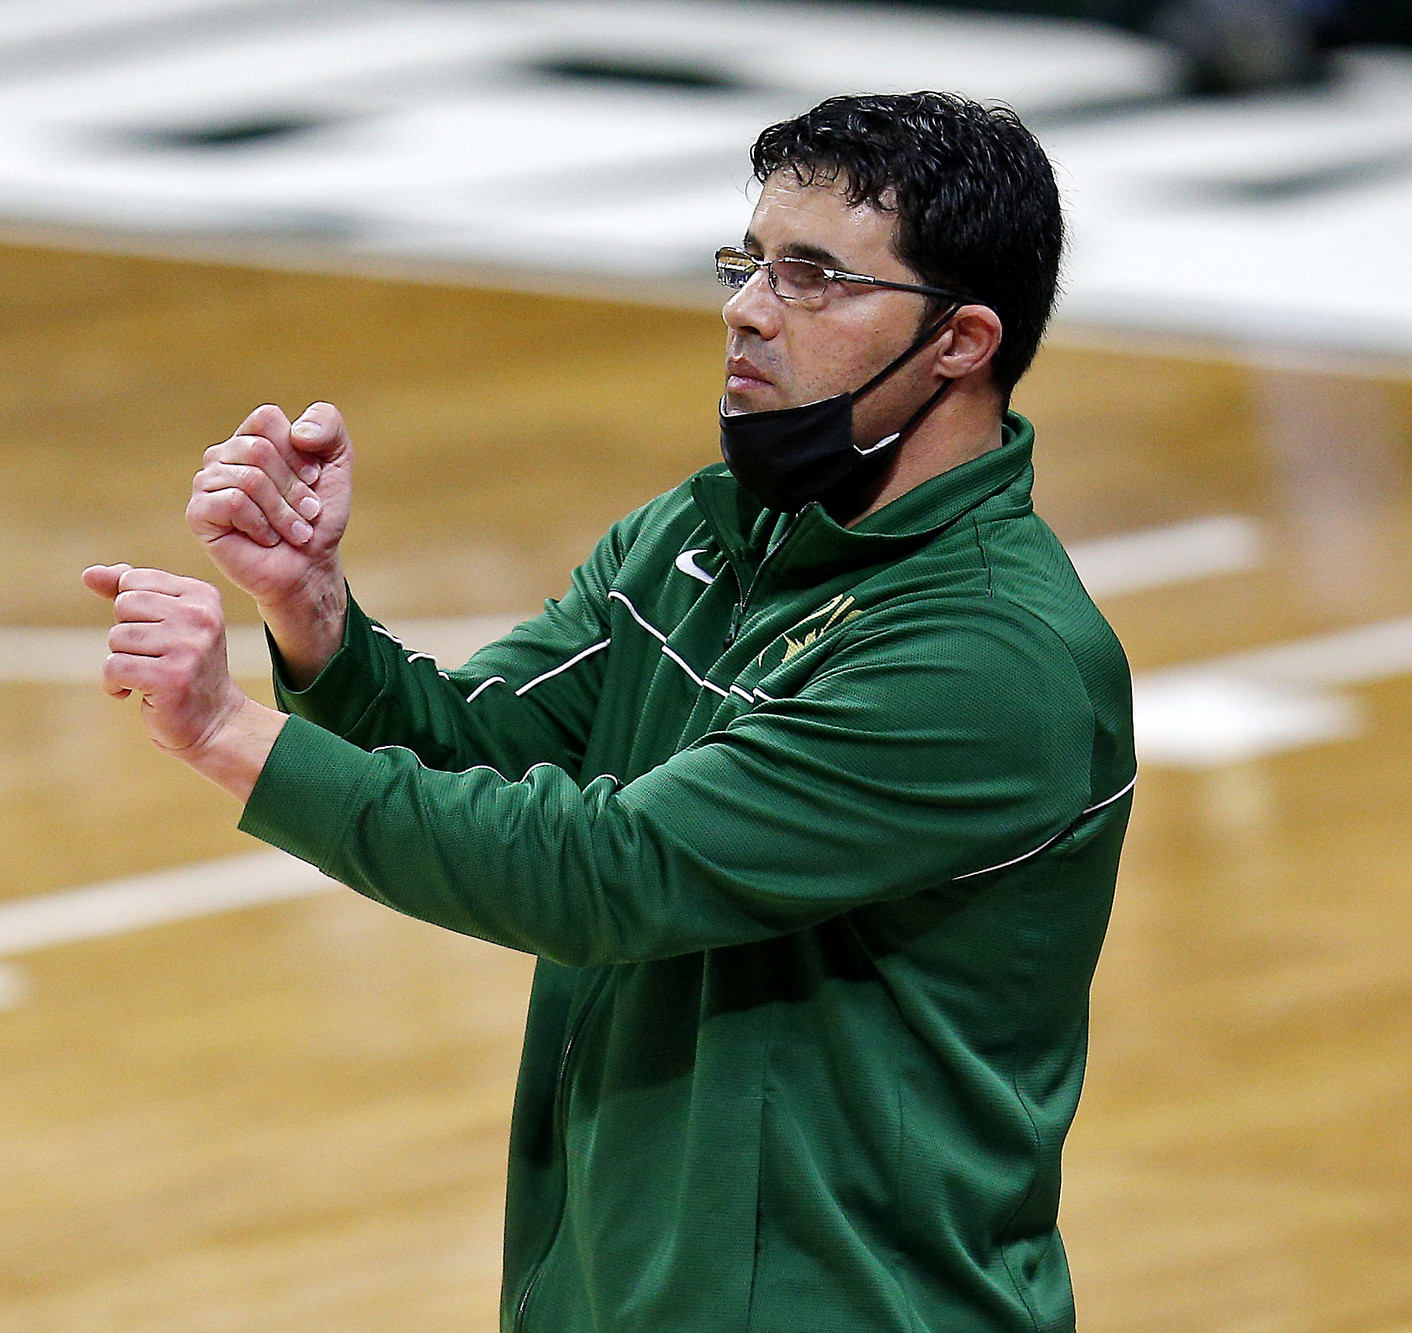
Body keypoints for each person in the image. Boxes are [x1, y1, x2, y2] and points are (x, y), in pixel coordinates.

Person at [84, 91, 1134, 1333]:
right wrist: (316, 613)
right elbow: (477, 746)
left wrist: (223, 733)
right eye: (747, 261)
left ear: (960, 341)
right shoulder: (703, 531)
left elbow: (604, 875)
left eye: (814, 278)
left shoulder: (981, 657)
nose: (747, 307)